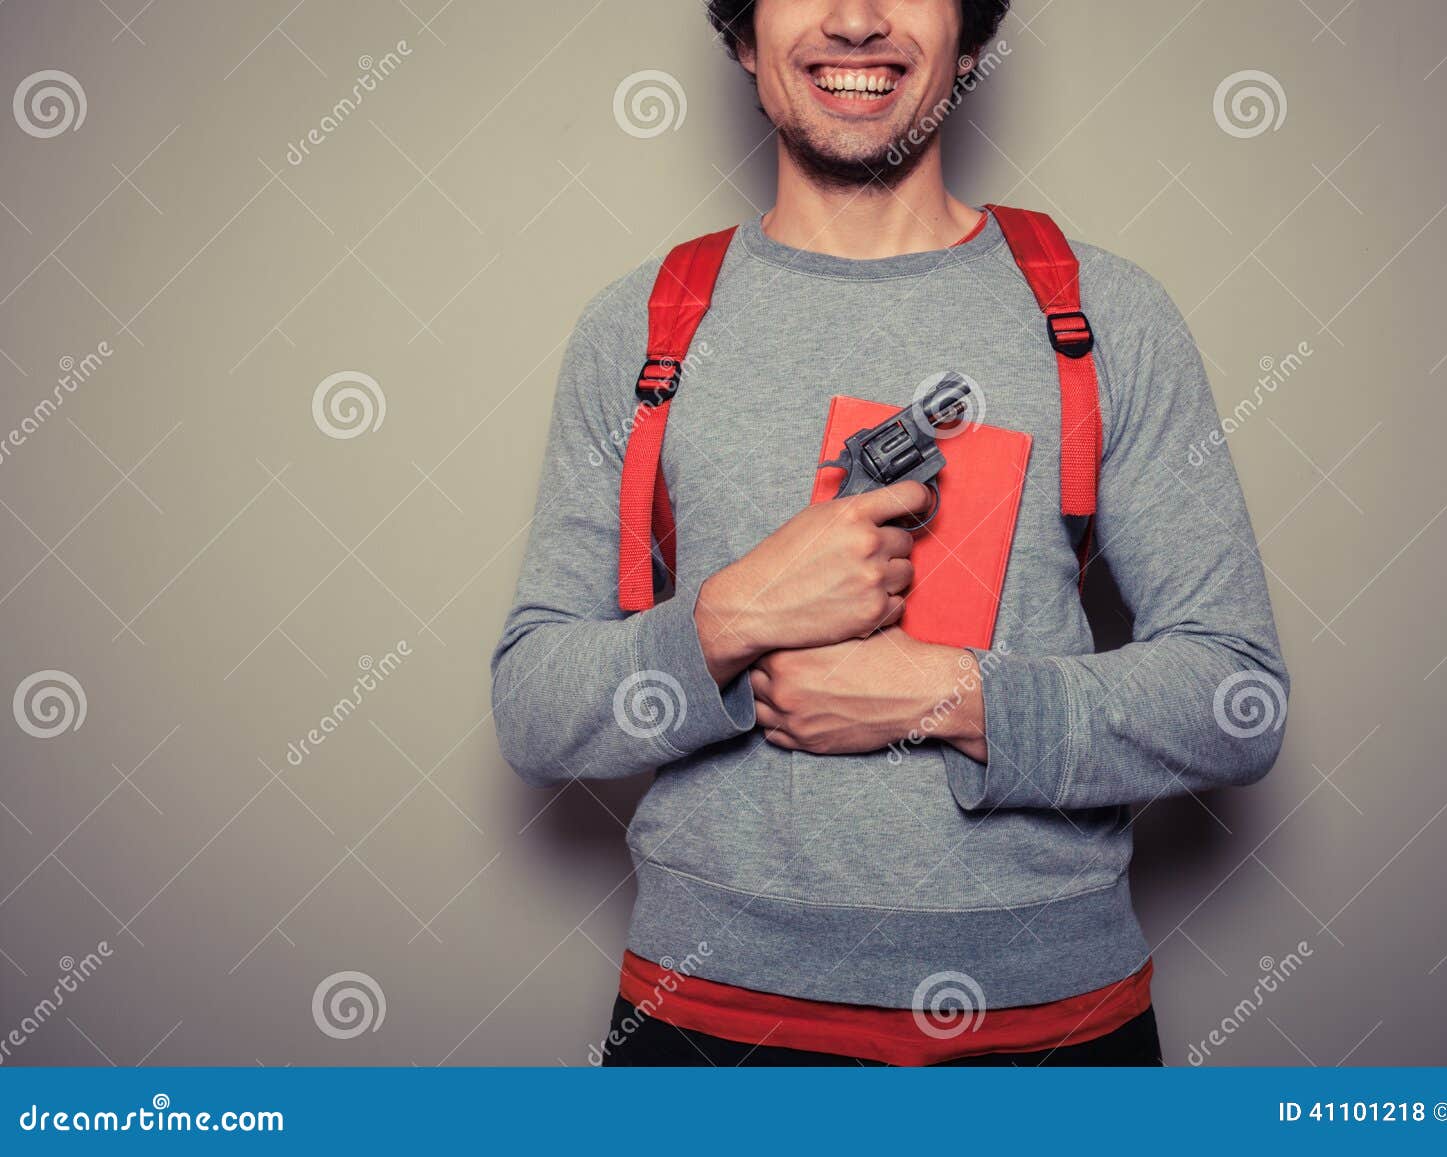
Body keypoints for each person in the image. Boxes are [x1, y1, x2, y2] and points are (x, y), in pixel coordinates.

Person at [491, 0, 1288, 1066]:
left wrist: (945, 695)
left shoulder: (1105, 316)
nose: (857, 19)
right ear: (741, 33)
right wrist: (730, 618)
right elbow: (535, 711)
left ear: (966, 37)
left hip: (1049, 1030)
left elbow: (1236, 701)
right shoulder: (640, 328)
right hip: (706, 1026)